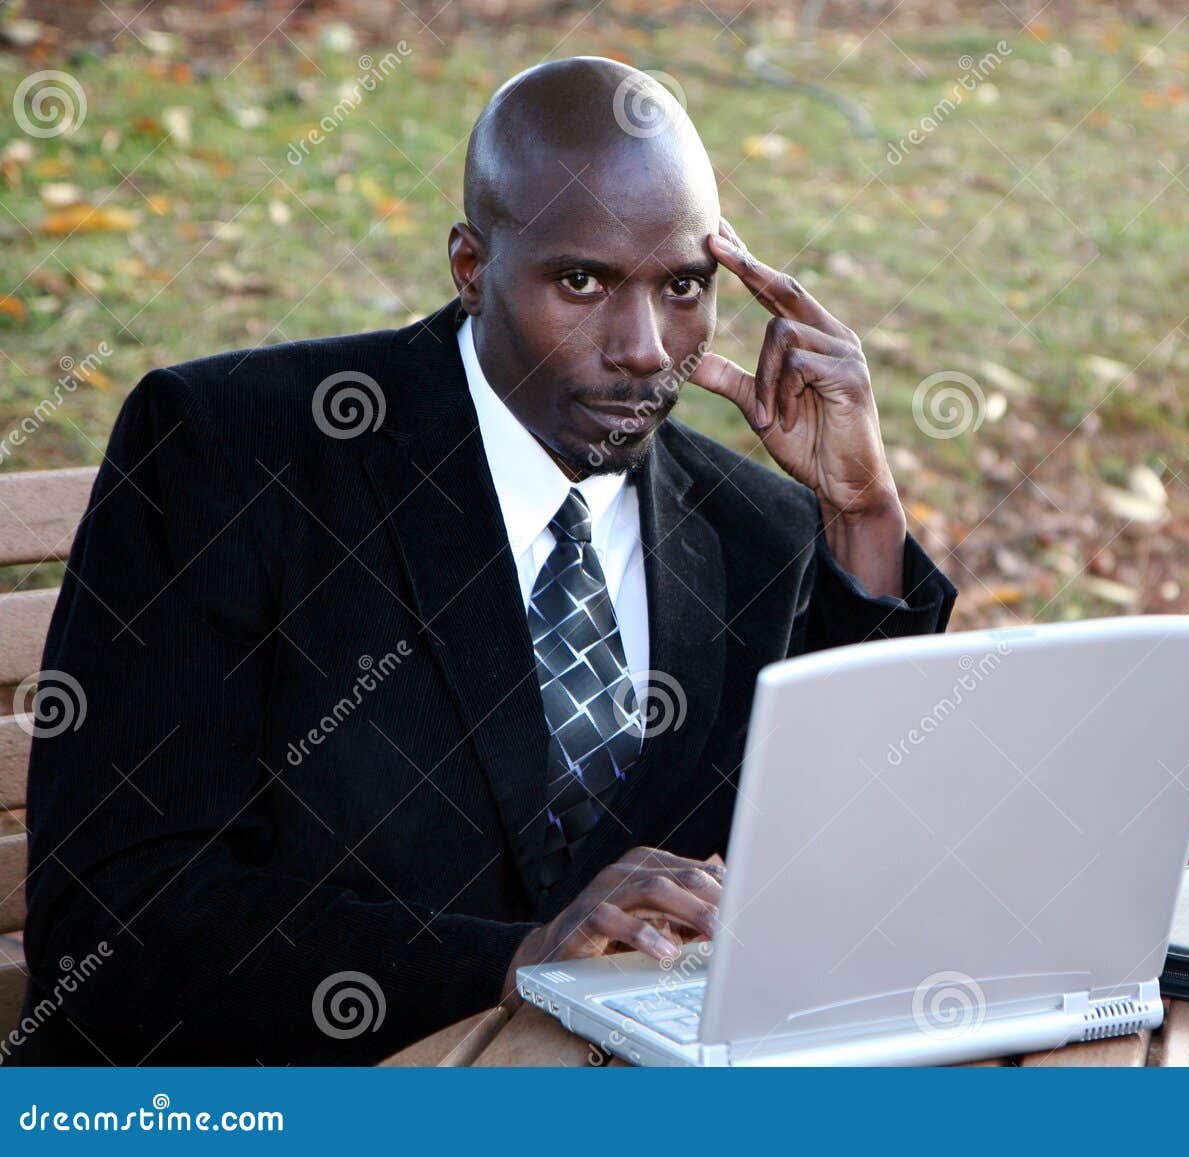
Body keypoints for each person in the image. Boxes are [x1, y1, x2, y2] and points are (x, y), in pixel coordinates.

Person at [9, 57, 956, 1065]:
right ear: (470, 266)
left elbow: (854, 867)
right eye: (581, 281)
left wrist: (861, 509)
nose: (642, 347)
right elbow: (114, 915)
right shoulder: (235, 454)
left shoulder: (759, 531)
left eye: (684, 287)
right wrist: (516, 959)